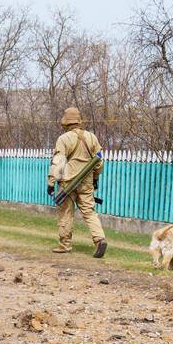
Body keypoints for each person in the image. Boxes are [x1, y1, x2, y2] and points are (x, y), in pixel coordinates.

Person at [47, 107, 107, 258]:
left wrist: (51, 182)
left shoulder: (64, 139)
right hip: (86, 182)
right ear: (79, 121)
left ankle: (65, 244)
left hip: (67, 183)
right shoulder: (92, 137)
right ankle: (99, 239)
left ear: (66, 123)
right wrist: (94, 178)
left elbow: (58, 162)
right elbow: (99, 162)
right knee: (89, 212)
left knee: (66, 213)